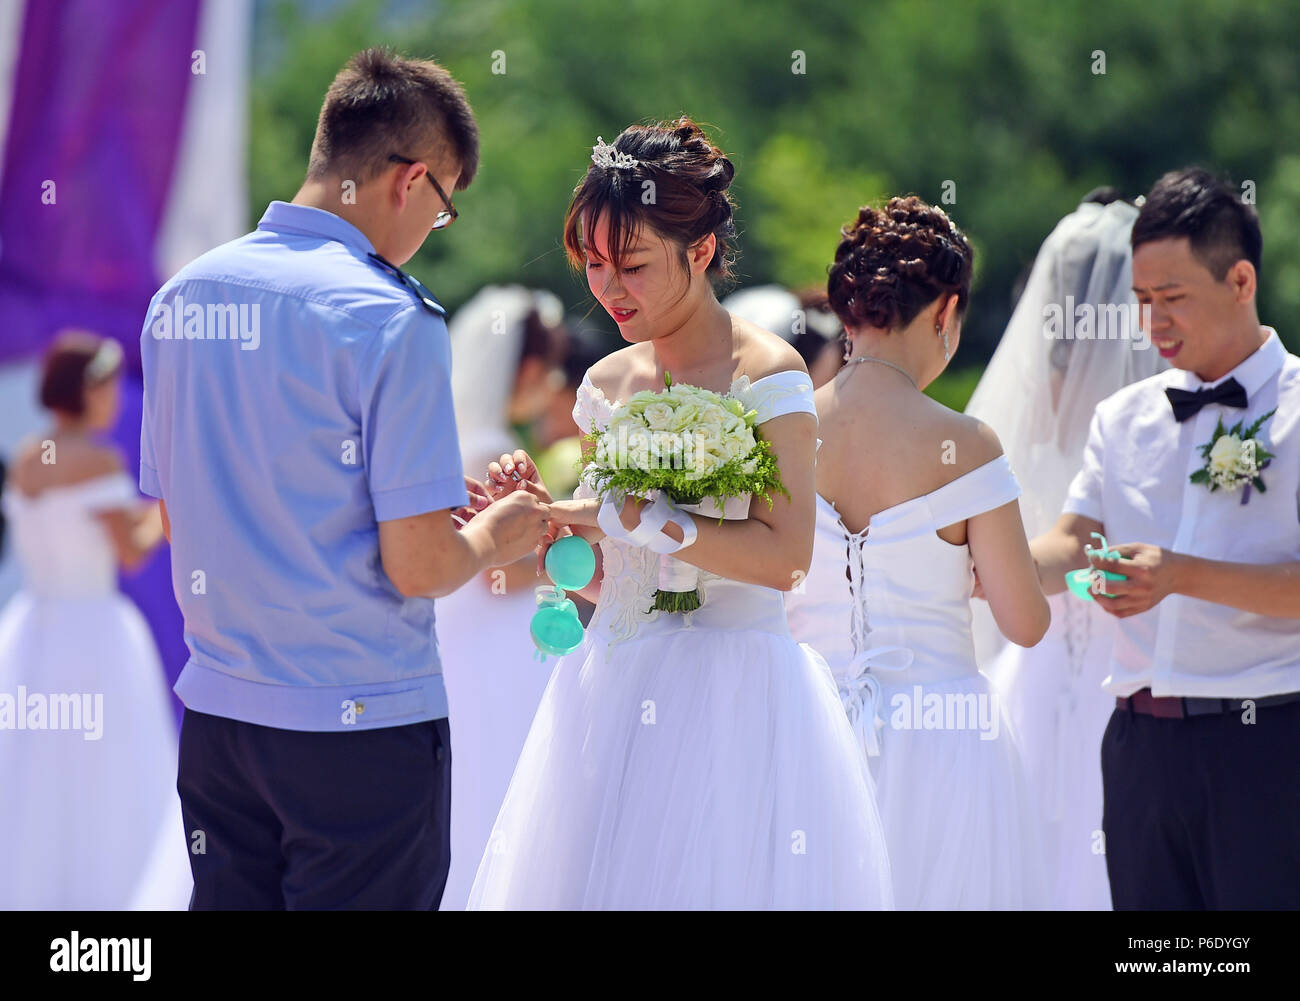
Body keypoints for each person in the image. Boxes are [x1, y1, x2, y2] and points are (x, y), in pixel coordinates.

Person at [138, 48, 549, 910]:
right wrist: (500, 530)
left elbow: (179, 521)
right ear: (412, 181)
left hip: (220, 718)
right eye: (444, 208)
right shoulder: (389, 318)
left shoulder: (182, 296)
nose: (433, 227)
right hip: (357, 728)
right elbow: (422, 568)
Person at [466, 118, 893, 909]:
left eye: (630, 264)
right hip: (615, 687)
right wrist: (542, 530)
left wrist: (655, 520)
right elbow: (613, 584)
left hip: (740, 694)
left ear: (699, 252)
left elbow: (787, 557)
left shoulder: (769, 371)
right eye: (591, 265)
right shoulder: (604, 383)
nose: (607, 288)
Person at [1032, 167, 1300, 909]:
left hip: (1267, 740)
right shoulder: (1123, 417)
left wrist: (1180, 573)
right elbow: (1071, 540)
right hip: (1139, 747)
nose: (1154, 324)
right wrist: (977, 554)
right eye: (1143, 301)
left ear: (1241, 280)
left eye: (1174, 298)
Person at [784, 195, 1051, 909]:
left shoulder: (781, 431)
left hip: (810, 738)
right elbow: (1024, 621)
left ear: (849, 311)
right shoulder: (966, 444)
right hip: (945, 743)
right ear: (945, 310)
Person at [965, 191, 1165, 909]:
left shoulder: (1043, 386)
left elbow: (1059, 537)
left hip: (1043, 647)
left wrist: (980, 563)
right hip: (1128, 651)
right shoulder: (1154, 401)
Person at [0, 331, 189, 908]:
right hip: (95, 638)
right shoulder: (99, 459)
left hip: (33, 630)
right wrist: (172, 502)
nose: (115, 398)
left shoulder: (30, 456)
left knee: (34, 774)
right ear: (88, 391)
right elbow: (131, 550)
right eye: (108, 386)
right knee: (104, 774)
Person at [437, 285, 569, 911]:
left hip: (460, 648)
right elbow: (498, 572)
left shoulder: (453, 446)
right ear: (524, 370)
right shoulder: (491, 454)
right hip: (494, 648)